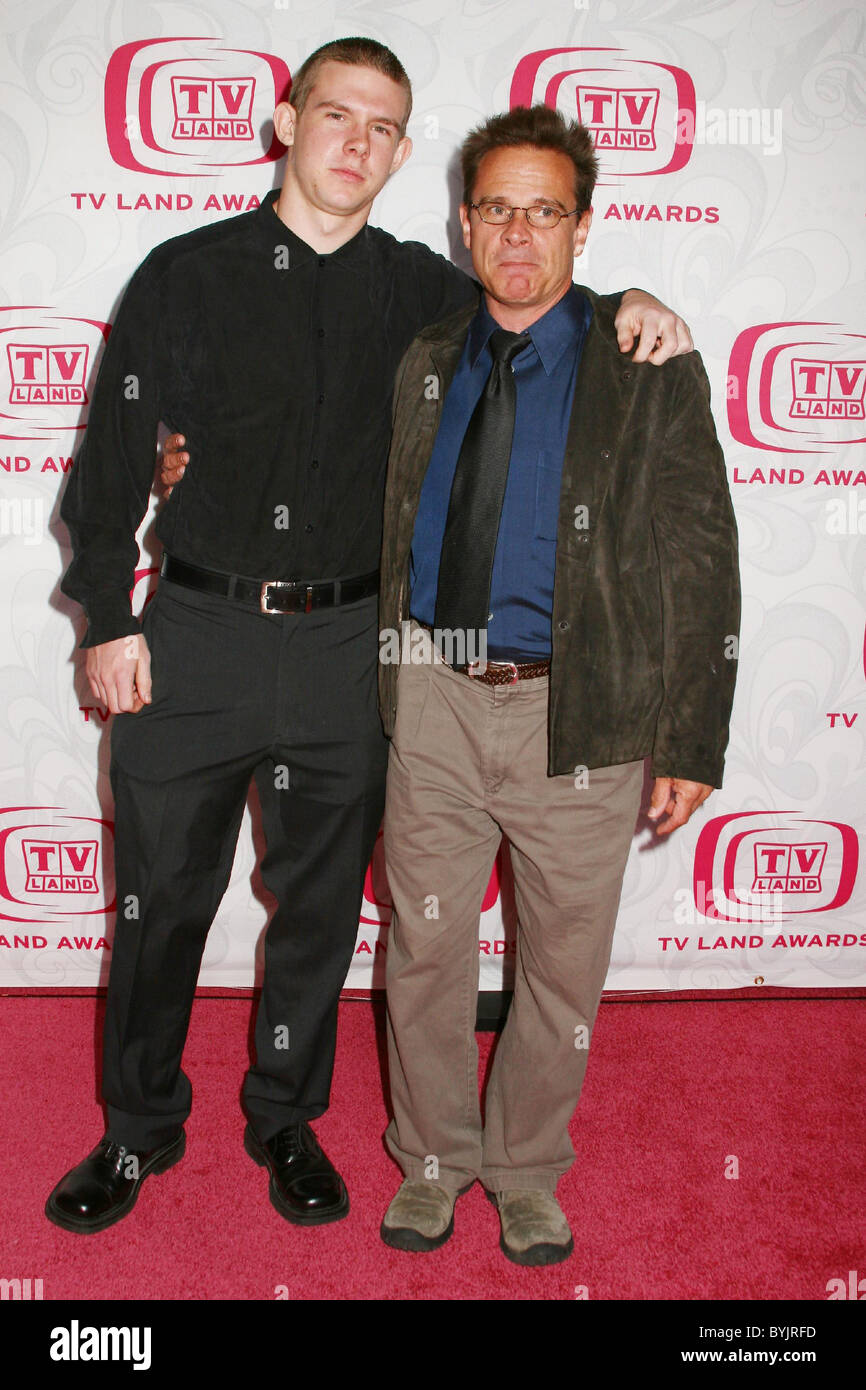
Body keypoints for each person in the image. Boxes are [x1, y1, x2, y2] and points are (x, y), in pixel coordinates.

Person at [47, 36, 692, 1236]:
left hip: (355, 648)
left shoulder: (420, 292)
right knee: (158, 898)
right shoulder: (183, 273)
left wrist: (627, 306)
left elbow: (533, 298)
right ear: (283, 123)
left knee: (319, 907)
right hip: (189, 633)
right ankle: (136, 1130)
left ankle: (283, 1116)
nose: (355, 140)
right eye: (334, 114)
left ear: (401, 152)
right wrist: (108, 612)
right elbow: (110, 461)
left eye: (382, 125)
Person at [375, 104, 740, 1266]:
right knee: (423, 949)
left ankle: (526, 1168)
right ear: (463, 221)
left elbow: (698, 552)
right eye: (497, 208)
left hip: (577, 710)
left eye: (545, 211)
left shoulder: (644, 362)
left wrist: (690, 735)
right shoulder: (428, 359)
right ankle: (430, 1160)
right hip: (429, 693)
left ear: (583, 229)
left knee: (560, 961)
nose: (518, 234)